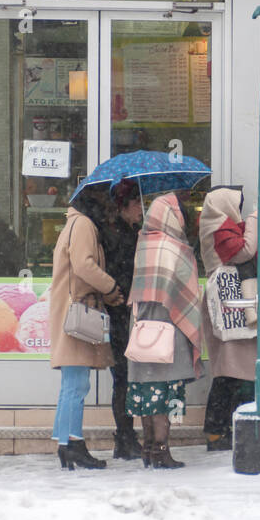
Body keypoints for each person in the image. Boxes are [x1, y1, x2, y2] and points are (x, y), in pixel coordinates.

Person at [127, 192, 204, 469]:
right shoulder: (174, 246)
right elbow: (184, 292)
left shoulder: (143, 242)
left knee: (148, 391)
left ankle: (149, 449)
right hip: (169, 326)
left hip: (143, 328)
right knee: (166, 392)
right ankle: (161, 450)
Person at [49, 188, 124, 471]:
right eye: (106, 199)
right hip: (76, 313)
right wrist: (111, 286)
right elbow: (84, 265)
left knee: (71, 382)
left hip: (70, 309)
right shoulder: (83, 224)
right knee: (77, 383)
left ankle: (65, 443)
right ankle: (73, 443)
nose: (109, 205)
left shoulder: (76, 222)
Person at [198, 186, 258, 451]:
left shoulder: (220, 225)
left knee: (232, 369)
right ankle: (217, 429)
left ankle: (222, 428)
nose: (241, 209)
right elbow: (243, 251)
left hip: (229, 301)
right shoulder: (219, 228)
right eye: (238, 203)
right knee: (230, 369)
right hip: (228, 303)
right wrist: (256, 221)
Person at [92, 180, 145, 460]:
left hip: (128, 312)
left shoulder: (132, 231)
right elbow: (116, 272)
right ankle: (124, 438)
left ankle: (126, 437)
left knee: (126, 377)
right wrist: (119, 292)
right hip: (118, 314)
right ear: (123, 206)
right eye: (136, 203)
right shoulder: (113, 234)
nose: (141, 209)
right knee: (123, 377)